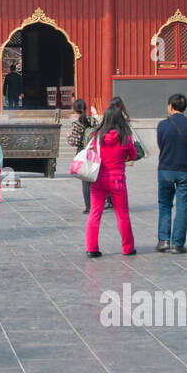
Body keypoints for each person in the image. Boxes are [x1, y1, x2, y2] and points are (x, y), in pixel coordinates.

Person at [84, 101, 138, 258]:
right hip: (117, 178)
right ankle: (127, 247)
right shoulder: (125, 138)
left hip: (98, 178)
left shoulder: (97, 136)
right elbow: (133, 155)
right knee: (122, 213)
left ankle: (91, 248)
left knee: (95, 213)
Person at [155, 93, 187, 254]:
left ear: (170, 106)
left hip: (166, 168)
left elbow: (161, 144)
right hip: (186, 170)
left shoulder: (162, 125)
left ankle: (163, 240)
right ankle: (178, 243)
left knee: (165, 204)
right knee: (182, 206)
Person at [67, 98, 96, 214]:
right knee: (96, 178)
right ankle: (106, 202)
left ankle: (89, 207)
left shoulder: (77, 124)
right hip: (94, 152)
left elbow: (74, 141)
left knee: (85, 180)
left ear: (75, 109)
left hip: (83, 153)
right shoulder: (93, 120)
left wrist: (69, 136)